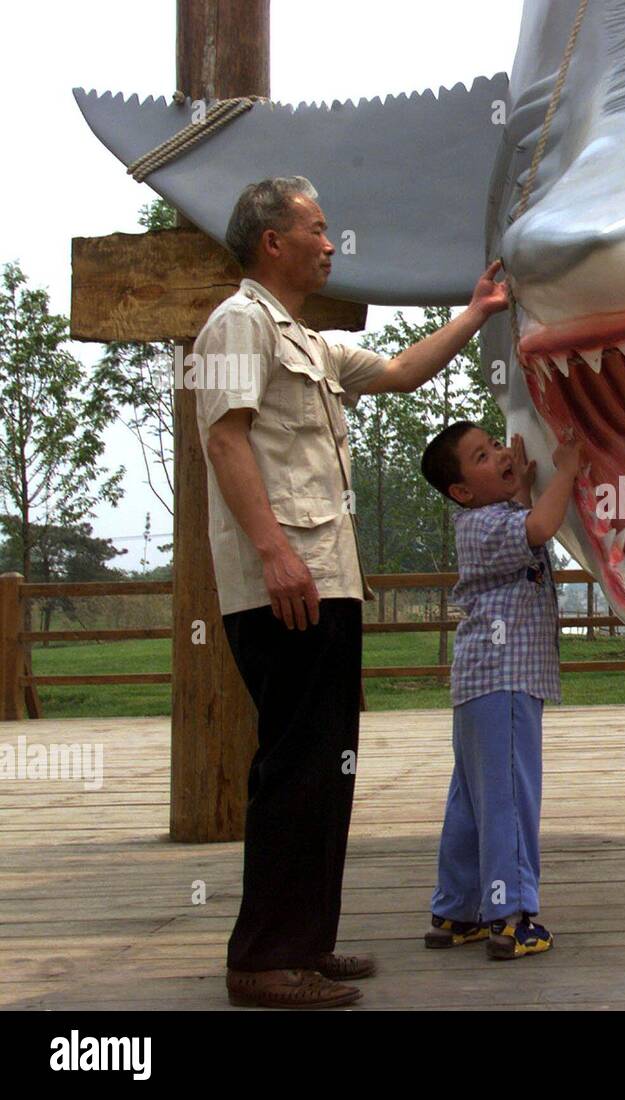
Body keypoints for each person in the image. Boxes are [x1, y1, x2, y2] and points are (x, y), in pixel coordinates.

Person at [196, 175, 508, 1008]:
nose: (332, 244)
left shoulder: (307, 340)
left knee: (327, 766)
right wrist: (273, 553)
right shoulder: (235, 324)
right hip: (284, 583)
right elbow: (226, 443)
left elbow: (405, 371)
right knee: (295, 765)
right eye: (318, 228)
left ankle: (305, 944)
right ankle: (264, 960)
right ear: (273, 241)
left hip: (327, 582)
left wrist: (476, 313)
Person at [418, 421, 582, 959]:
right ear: (462, 492)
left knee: (473, 799)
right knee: (510, 796)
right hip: (504, 681)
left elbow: (529, 522)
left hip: (480, 684)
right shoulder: (484, 525)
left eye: (494, 444)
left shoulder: (494, 516)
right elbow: (541, 527)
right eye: (482, 456)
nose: (499, 454)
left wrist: (523, 485)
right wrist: (569, 470)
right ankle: (511, 917)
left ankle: (457, 910)